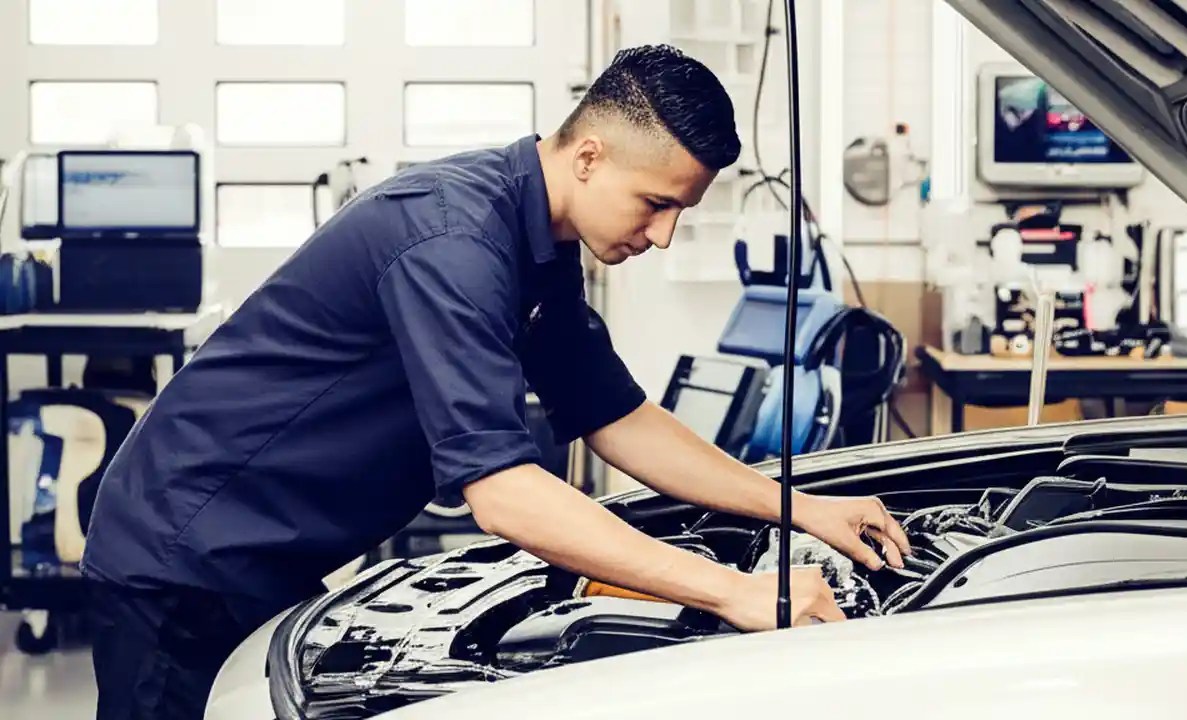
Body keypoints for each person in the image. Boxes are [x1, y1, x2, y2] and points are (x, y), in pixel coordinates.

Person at [80, 44, 910, 719]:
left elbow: (619, 419)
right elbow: (503, 494)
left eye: (681, 213)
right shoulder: (452, 239)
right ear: (589, 156)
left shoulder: (540, 247)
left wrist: (804, 506)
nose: (663, 237)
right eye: (655, 203)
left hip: (270, 551)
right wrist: (736, 591)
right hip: (184, 556)